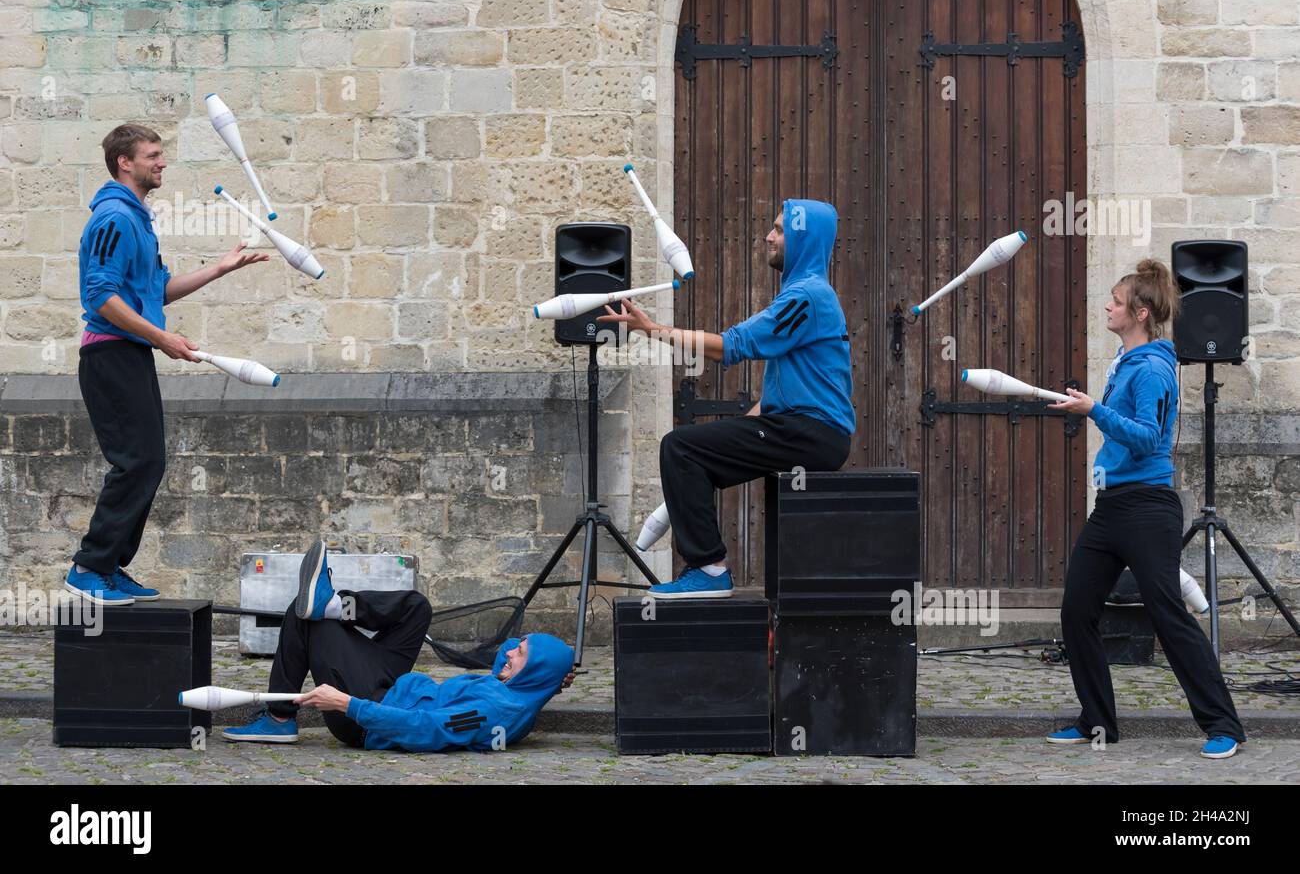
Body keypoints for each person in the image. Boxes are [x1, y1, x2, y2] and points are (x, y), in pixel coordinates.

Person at [600, 199, 855, 598]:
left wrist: (650, 329)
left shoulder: (806, 297)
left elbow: (731, 346)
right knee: (695, 455)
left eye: (780, 230)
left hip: (812, 434)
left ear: (803, 239)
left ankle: (710, 569)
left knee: (680, 448)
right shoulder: (808, 294)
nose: (769, 237)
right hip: (803, 428)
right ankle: (706, 563)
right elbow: (778, 396)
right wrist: (743, 426)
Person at [1048, 259, 1246, 759]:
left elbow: (1146, 439)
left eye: (1115, 302)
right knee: (1077, 611)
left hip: (1147, 508)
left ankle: (1223, 726)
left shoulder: (1154, 369)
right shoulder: (1125, 363)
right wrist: (1095, 408)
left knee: (1167, 615)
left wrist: (1093, 410)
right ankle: (1098, 722)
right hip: (1110, 509)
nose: (1107, 307)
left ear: (1138, 312)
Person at [66, 124, 269, 606]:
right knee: (135, 462)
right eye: (153, 155)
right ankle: (88, 568)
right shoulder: (114, 217)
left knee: (148, 462)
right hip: (109, 353)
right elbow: (100, 295)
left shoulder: (137, 219)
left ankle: (110, 566)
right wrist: (162, 339)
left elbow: (154, 292)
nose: (162, 163)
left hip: (128, 351)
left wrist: (218, 269)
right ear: (125, 162)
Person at [225, 543, 576, 751]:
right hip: (393, 686)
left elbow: (425, 729)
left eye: (523, 655)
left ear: (533, 673)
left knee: (303, 618)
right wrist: (552, 679)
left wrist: (346, 704)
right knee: (417, 608)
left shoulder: (497, 712)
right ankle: (335, 605)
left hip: (366, 718)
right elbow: (508, 655)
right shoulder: (520, 692)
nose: (512, 650)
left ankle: (278, 718)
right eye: (521, 646)